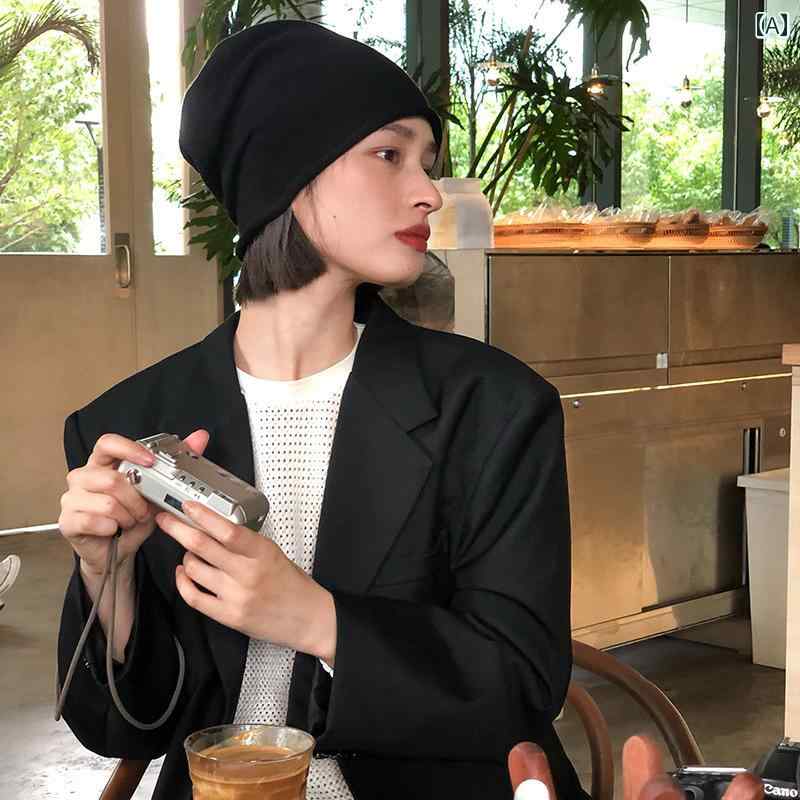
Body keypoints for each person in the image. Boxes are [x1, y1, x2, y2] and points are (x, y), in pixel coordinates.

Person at [56, 19, 584, 800]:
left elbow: (522, 683)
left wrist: (315, 618)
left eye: (427, 163)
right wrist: (110, 577)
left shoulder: (496, 408)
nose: (428, 192)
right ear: (288, 169)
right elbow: (119, 731)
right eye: (390, 154)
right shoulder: (130, 422)